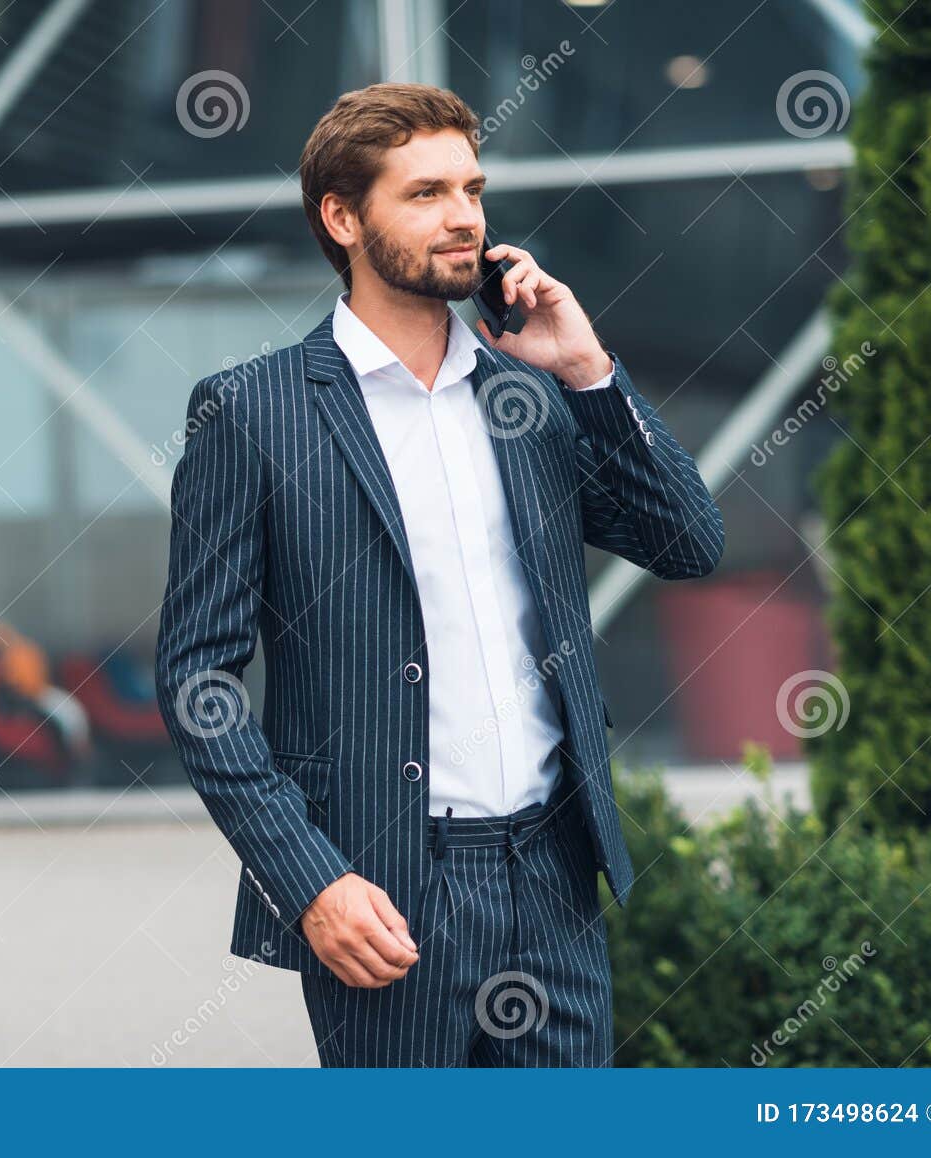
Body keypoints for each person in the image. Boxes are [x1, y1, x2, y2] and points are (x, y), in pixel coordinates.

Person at [155, 82, 724, 1067]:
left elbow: (688, 542)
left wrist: (585, 370)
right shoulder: (255, 414)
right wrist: (308, 879)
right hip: (384, 889)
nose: (463, 215)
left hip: (552, 880)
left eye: (471, 187)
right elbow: (197, 682)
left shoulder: (531, 397)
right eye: (423, 194)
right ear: (342, 217)